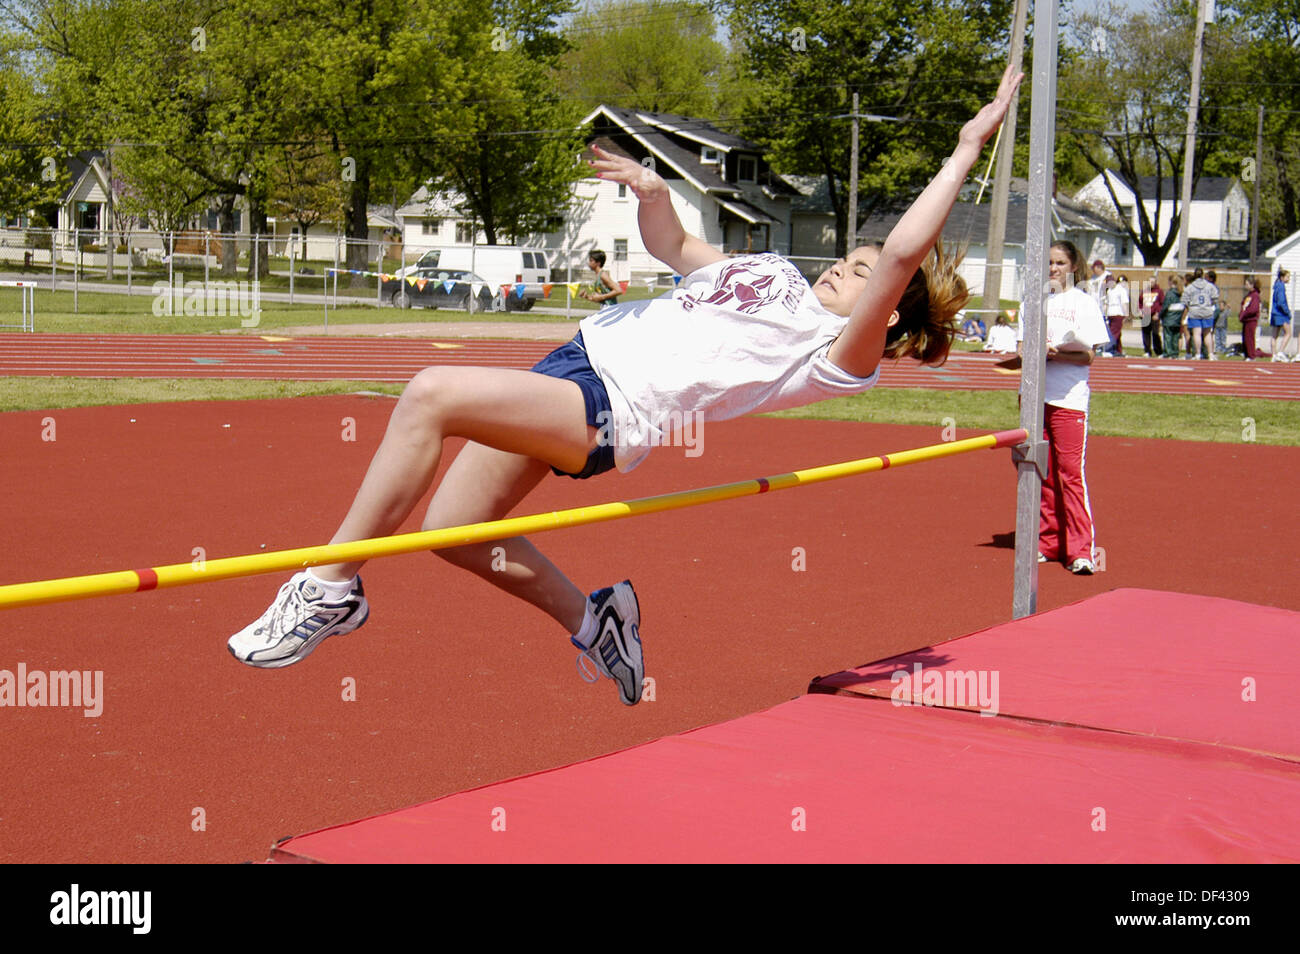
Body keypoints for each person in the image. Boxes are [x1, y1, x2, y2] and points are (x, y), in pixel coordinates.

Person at [224, 67, 1025, 704]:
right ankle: (595, 618)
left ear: (881, 319)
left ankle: (331, 585)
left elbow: (895, 262)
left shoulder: (833, 355)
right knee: (456, 529)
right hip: (575, 363)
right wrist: (652, 197)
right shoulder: (773, 272)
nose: (843, 268)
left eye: (857, 276)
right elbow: (675, 246)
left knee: (430, 393)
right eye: (846, 260)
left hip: (615, 410)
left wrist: (961, 153)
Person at [1017, 240, 1110, 574]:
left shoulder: (1083, 303)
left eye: (1059, 263)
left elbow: (1088, 355)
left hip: (1068, 399)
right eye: (1048, 263)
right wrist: (1031, 351)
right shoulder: (1032, 300)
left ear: (1072, 267)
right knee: (1040, 471)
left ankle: (1080, 549)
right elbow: (1021, 347)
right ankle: (1048, 541)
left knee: (1070, 474)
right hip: (1033, 397)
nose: (1052, 269)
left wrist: (1057, 354)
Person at [1184, 267, 1218, 359]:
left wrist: (1191, 306)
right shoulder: (1210, 286)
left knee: (1197, 333)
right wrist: (1209, 304)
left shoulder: (1190, 287)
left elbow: (1185, 300)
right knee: (1207, 333)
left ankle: (1198, 354)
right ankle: (1210, 354)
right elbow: (1215, 297)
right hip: (1207, 310)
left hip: (1195, 311)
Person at [1270, 268, 1293, 362]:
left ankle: (1274, 354)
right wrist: (1287, 312)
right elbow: (1281, 302)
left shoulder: (1276, 285)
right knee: (1288, 333)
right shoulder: (1281, 286)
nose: (1288, 278)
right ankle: (1280, 352)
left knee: (1274, 335)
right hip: (1280, 314)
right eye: (1287, 277)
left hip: (1275, 313)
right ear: (1282, 277)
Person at [1160, 274, 1185, 359]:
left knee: (1168, 336)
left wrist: (1160, 315)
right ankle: (1175, 353)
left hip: (1169, 318)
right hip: (1177, 318)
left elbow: (1165, 306)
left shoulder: (1170, 293)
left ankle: (1168, 353)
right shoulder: (1181, 293)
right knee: (1176, 337)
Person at [1104, 273, 1130, 356]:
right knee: (1115, 332)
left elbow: (1124, 303)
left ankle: (1117, 350)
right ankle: (1110, 349)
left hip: (1118, 313)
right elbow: (1107, 303)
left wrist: (1126, 314)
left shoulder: (1121, 290)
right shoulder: (1110, 291)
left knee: (1115, 332)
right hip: (1112, 313)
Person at [1138, 276, 1164, 357]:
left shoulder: (1159, 291)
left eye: (1152, 282)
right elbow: (1140, 302)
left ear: (1155, 282)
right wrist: (1140, 311)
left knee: (1155, 333)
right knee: (1146, 333)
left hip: (1154, 315)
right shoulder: (1144, 291)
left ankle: (1158, 351)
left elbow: (1162, 303)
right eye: (1149, 282)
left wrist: (1158, 313)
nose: (1151, 283)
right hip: (1145, 315)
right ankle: (1147, 351)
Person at [1240, 277, 1262, 360]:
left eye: (1247, 284)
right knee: (1245, 338)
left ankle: (1251, 355)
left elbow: (1253, 309)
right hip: (1246, 320)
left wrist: (1245, 314)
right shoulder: (1249, 295)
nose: (1245, 286)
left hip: (1251, 320)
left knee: (1250, 338)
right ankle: (1247, 355)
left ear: (1252, 285)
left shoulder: (1255, 295)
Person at [1208, 269, 1228, 355]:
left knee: (1209, 332)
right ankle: (1211, 349)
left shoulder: (1212, 288)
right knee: (1210, 332)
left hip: (1212, 311)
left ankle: (1210, 350)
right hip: (1211, 310)